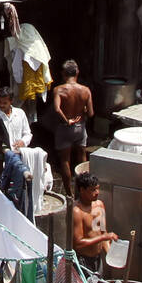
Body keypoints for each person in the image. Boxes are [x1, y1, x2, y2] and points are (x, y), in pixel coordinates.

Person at [52, 59, 93, 197]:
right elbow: (91, 113)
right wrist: (85, 110)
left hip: (65, 128)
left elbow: (57, 109)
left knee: (65, 160)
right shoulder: (85, 90)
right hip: (80, 128)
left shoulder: (58, 90)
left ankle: (69, 193)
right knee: (82, 158)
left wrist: (67, 121)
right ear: (77, 72)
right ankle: (83, 191)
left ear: (63, 73)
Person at [73, 172, 118, 275]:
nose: (97, 192)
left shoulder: (99, 205)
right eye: (92, 190)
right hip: (82, 261)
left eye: (98, 188)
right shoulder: (77, 211)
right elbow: (78, 243)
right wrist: (104, 238)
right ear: (82, 190)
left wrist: (110, 255)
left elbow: (103, 232)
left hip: (98, 260)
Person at [0, 85, 32, 150]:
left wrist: (23, 142)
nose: (1, 105)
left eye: (5, 103)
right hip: (0, 156)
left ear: (11, 101)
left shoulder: (20, 113)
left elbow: (27, 134)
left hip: (19, 153)